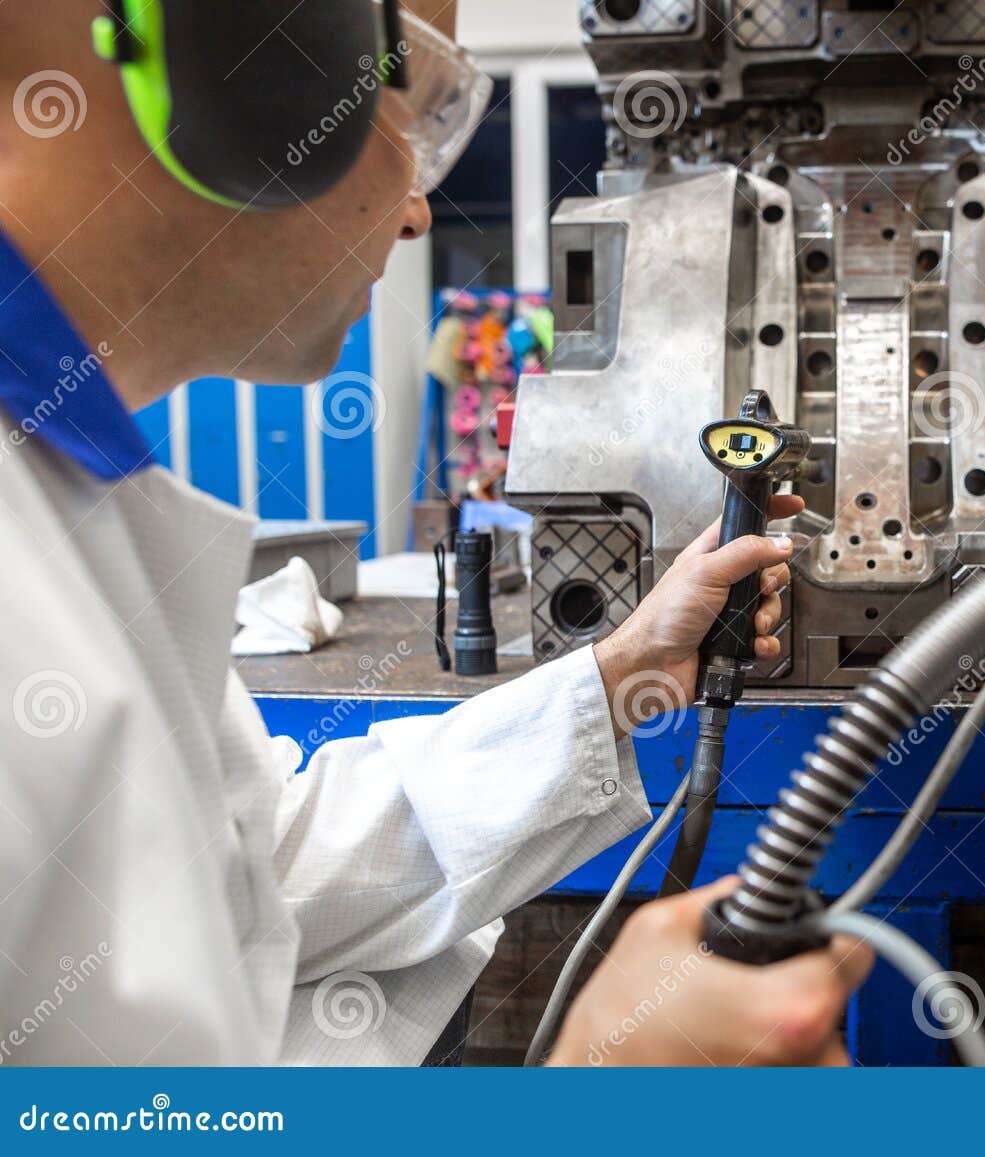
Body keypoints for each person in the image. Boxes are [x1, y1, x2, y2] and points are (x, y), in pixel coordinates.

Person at [0, 0, 869, 1065]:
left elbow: (257, 867)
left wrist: (624, 668)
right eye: (412, 102)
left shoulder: (58, 495)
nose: (416, 211)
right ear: (246, 53)